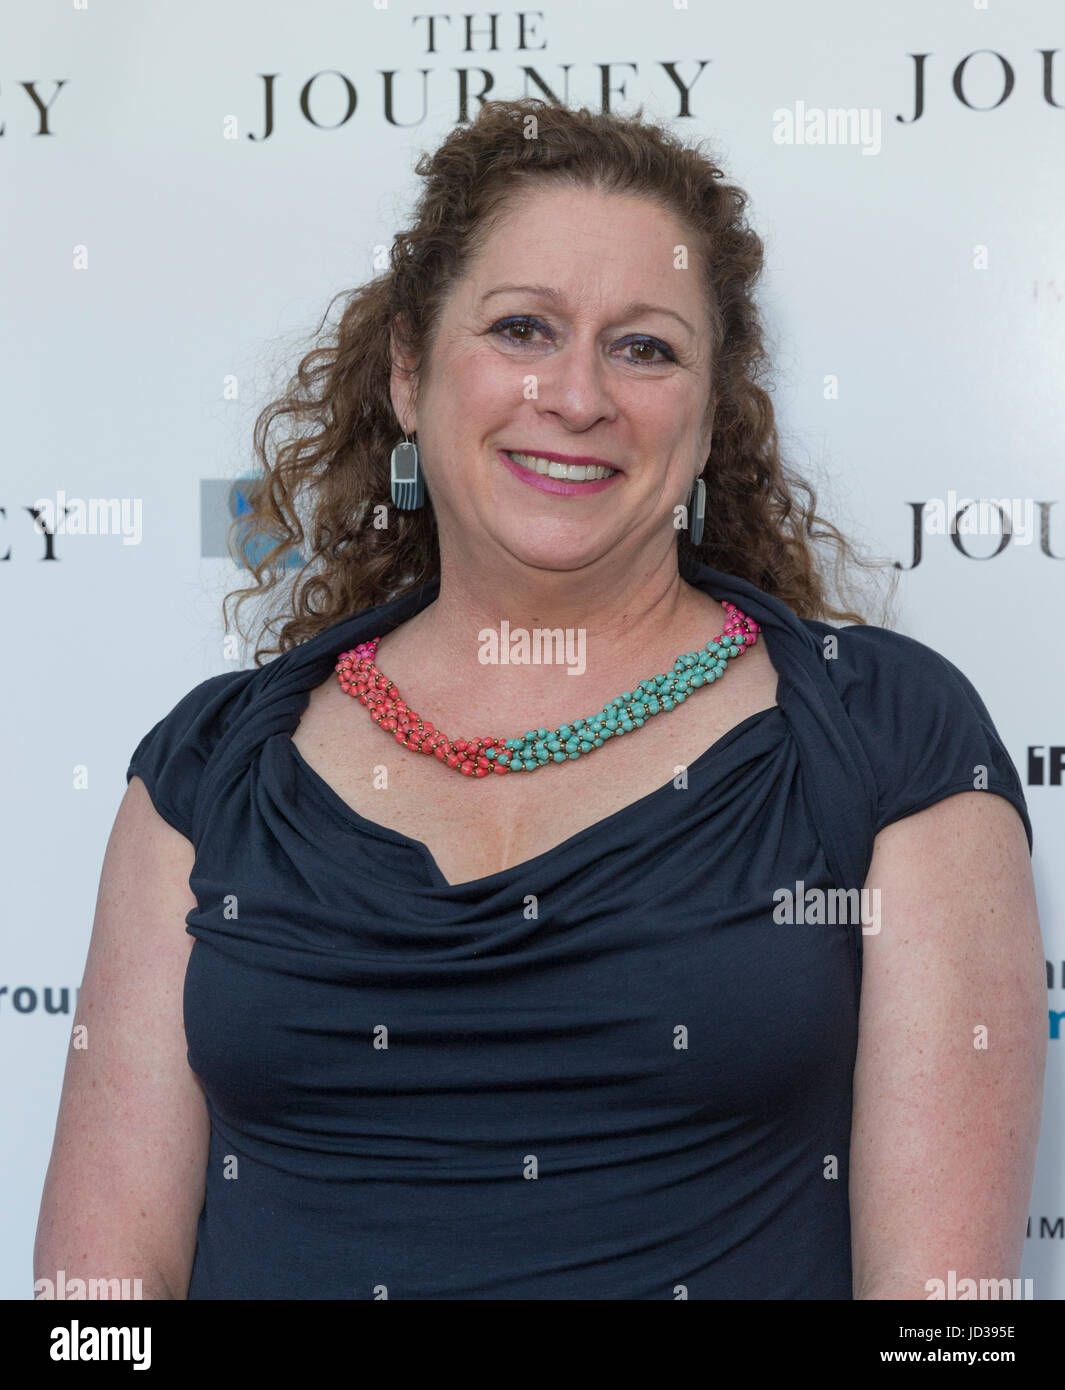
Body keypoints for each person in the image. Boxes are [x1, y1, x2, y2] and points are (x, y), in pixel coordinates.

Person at [35, 98, 1045, 1300]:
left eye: (646, 347)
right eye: (523, 328)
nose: (576, 397)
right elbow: (93, 1304)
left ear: (711, 417)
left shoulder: (890, 741)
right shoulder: (211, 770)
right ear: (409, 373)